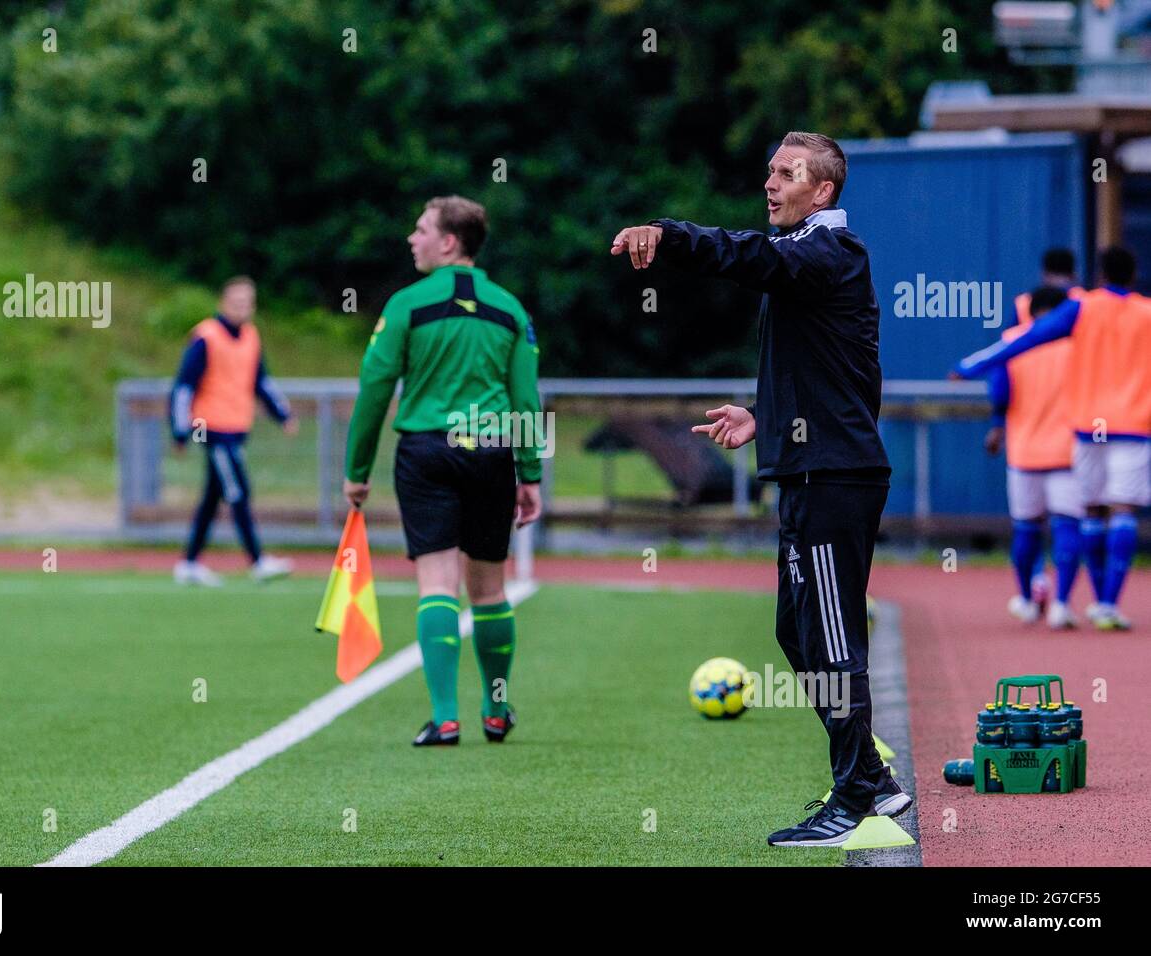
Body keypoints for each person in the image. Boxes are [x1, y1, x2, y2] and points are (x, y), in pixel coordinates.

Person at [611, 131, 911, 847]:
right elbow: (841, 375)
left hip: (835, 477)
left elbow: (747, 257)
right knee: (795, 630)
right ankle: (872, 780)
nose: (770, 183)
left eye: (787, 173)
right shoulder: (811, 257)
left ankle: (854, 803)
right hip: (812, 471)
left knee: (835, 640)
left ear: (823, 189)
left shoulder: (827, 252)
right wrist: (767, 415)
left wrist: (670, 236)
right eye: (769, 172)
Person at [342, 196, 544, 746]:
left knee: (436, 583)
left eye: (421, 229)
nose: (412, 238)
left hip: (427, 452)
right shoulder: (510, 309)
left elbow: (375, 387)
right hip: (492, 451)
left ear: (449, 242)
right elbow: (527, 399)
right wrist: (531, 474)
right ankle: (497, 711)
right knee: (488, 588)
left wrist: (356, 469)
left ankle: (445, 717)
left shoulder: (406, 305)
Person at [954, 247, 1151, 630]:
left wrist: (971, 364)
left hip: (1086, 428)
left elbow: (1029, 339)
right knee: (1123, 511)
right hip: (1134, 425)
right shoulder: (1147, 312)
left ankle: (1064, 599)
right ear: (1133, 275)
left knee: (1091, 511)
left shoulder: (1083, 309)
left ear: (1098, 274)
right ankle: (1106, 603)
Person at [169, 276, 297, 586]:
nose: (241, 308)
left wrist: (282, 414)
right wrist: (180, 430)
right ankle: (257, 560)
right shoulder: (206, 337)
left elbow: (261, 382)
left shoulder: (251, 337)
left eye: (247, 302)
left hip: (237, 427)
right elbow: (183, 387)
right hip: (210, 428)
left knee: (213, 496)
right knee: (237, 490)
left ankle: (188, 563)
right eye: (235, 302)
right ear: (223, 303)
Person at [987, 251, 1086, 624]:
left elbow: (1000, 390)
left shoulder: (1013, 342)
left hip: (1025, 448)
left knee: (1026, 529)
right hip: (1068, 450)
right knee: (1067, 527)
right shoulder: (1077, 345)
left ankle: (1028, 599)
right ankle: (1061, 604)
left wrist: (998, 424)